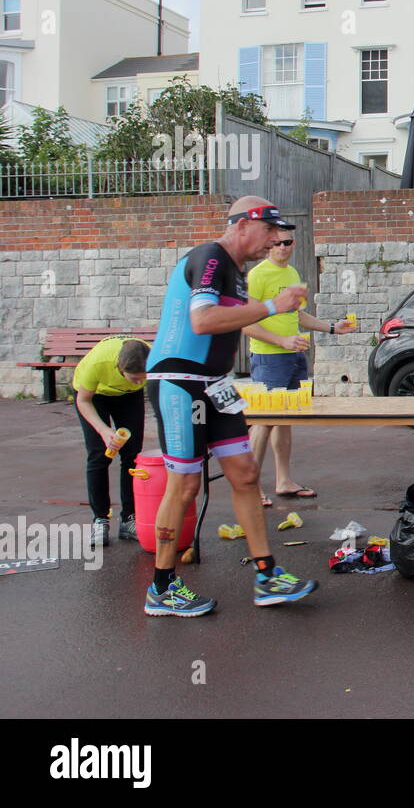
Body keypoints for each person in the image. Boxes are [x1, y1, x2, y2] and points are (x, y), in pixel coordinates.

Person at [143, 197, 319, 617]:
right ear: (242, 225)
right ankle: (161, 587)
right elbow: (202, 321)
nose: (276, 240)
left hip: (215, 384)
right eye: (269, 231)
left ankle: (267, 575)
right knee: (185, 486)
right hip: (180, 383)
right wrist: (276, 305)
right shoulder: (210, 256)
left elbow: (234, 319)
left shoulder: (237, 273)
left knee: (245, 474)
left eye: (280, 233)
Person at [242, 233, 357, 504]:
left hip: (293, 356)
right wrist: (281, 340)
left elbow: (297, 314)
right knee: (264, 420)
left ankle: (284, 480)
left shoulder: (293, 272)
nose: (283, 247)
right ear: (268, 244)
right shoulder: (257, 275)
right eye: (278, 242)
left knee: (285, 419)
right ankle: (250, 487)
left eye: (288, 242)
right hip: (269, 358)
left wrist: (331, 327)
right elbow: (245, 323)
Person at [73, 336, 150, 546]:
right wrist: (104, 431)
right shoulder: (99, 362)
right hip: (94, 396)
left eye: (143, 378)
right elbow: (83, 400)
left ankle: (128, 519)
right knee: (99, 455)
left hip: (128, 397)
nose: (140, 382)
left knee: (133, 455)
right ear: (119, 367)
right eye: (135, 378)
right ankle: (100, 519)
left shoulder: (152, 355)